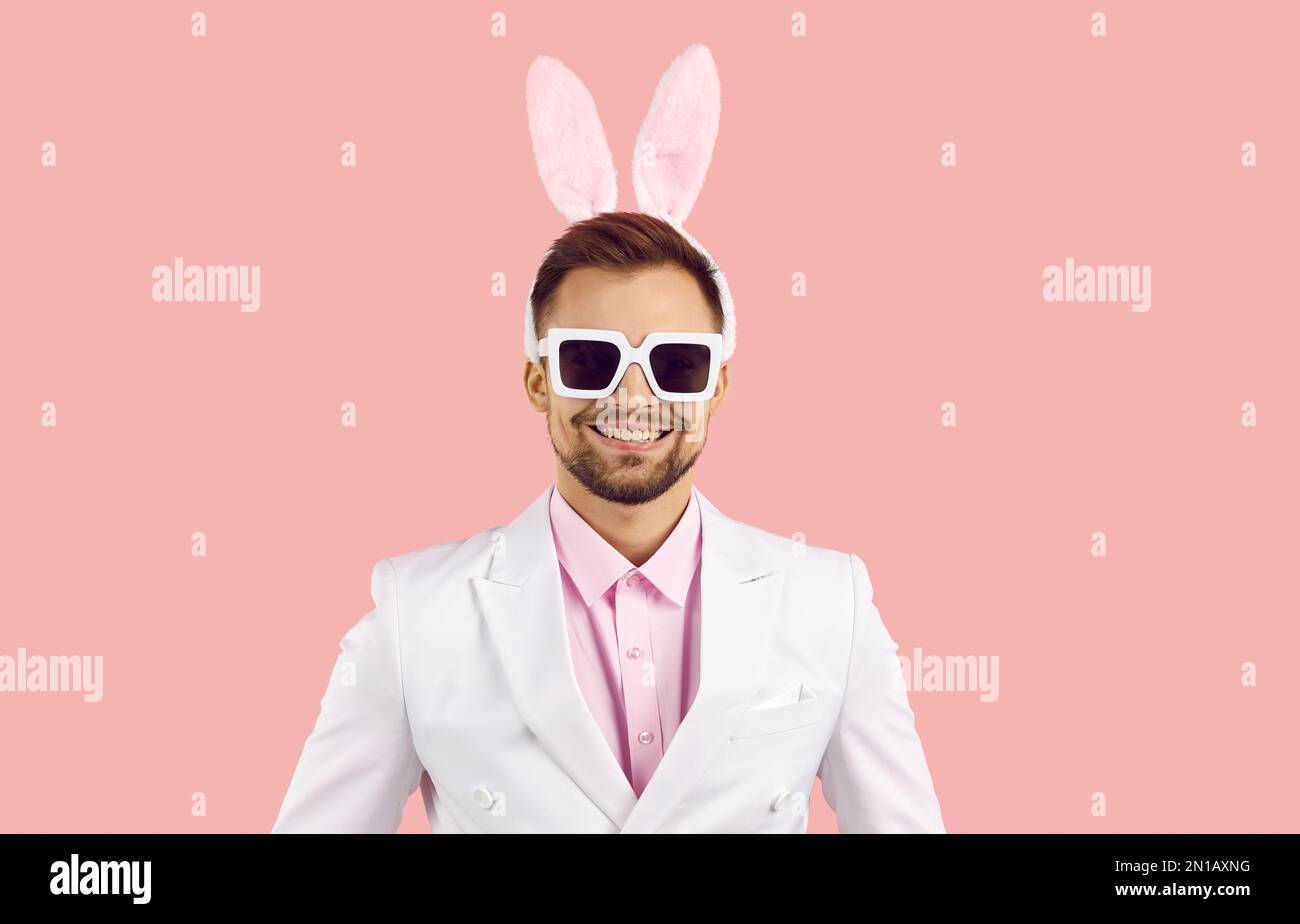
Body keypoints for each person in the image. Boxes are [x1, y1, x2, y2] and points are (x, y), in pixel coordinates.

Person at [272, 45, 943, 834]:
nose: (635, 395)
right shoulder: (418, 616)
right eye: (590, 359)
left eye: (675, 362)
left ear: (717, 385)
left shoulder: (832, 606)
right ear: (537, 380)